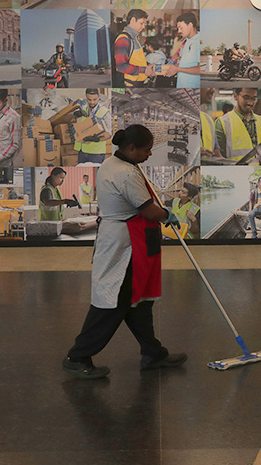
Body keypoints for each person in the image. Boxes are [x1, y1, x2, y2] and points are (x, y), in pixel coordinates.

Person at [63, 125, 185, 379]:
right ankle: (78, 356)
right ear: (131, 148)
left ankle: (153, 353)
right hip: (125, 245)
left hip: (127, 239)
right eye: (147, 150)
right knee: (114, 301)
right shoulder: (125, 173)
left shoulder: (111, 163)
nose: (150, 154)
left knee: (138, 303)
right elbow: (148, 211)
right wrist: (167, 216)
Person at [214, 88, 261, 164]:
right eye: (246, 97)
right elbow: (219, 156)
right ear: (236, 96)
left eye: (253, 98)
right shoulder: (222, 122)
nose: (250, 103)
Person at [114, 10, 154, 88]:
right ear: (132, 20)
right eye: (141, 23)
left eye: (144, 23)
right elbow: (121, 66)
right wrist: (144, 70)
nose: (143, 26)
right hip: (129, 85)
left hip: (139, 84)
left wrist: (148, 65)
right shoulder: (123, 39)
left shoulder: (135, 38)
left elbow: (136, 60)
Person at [162, 13, 201, 88]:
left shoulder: (199, 41)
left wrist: (177, 69)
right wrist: (173, 66)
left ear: (190, 25)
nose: (179, 31)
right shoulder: (185, 41)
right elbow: (184, 64)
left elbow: (199, 70)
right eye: (178, 28)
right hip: (181, 84)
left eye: (181, 28)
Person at [74, 89, 111, 165]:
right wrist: (74, 115)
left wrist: (97, 139)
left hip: (96, 153)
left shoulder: (105, 112)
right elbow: (72, 122)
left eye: (94, 99)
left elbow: (109, 134)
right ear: (86, 97)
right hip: (82, 151)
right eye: (89, 99)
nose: (92, 102)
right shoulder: (82, 109)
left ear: (98, 96)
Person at [200, 87, 222, 159]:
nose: (213, 90)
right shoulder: (184, 121)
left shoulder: (208, 120)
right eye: (208, 86)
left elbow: (217, 155)